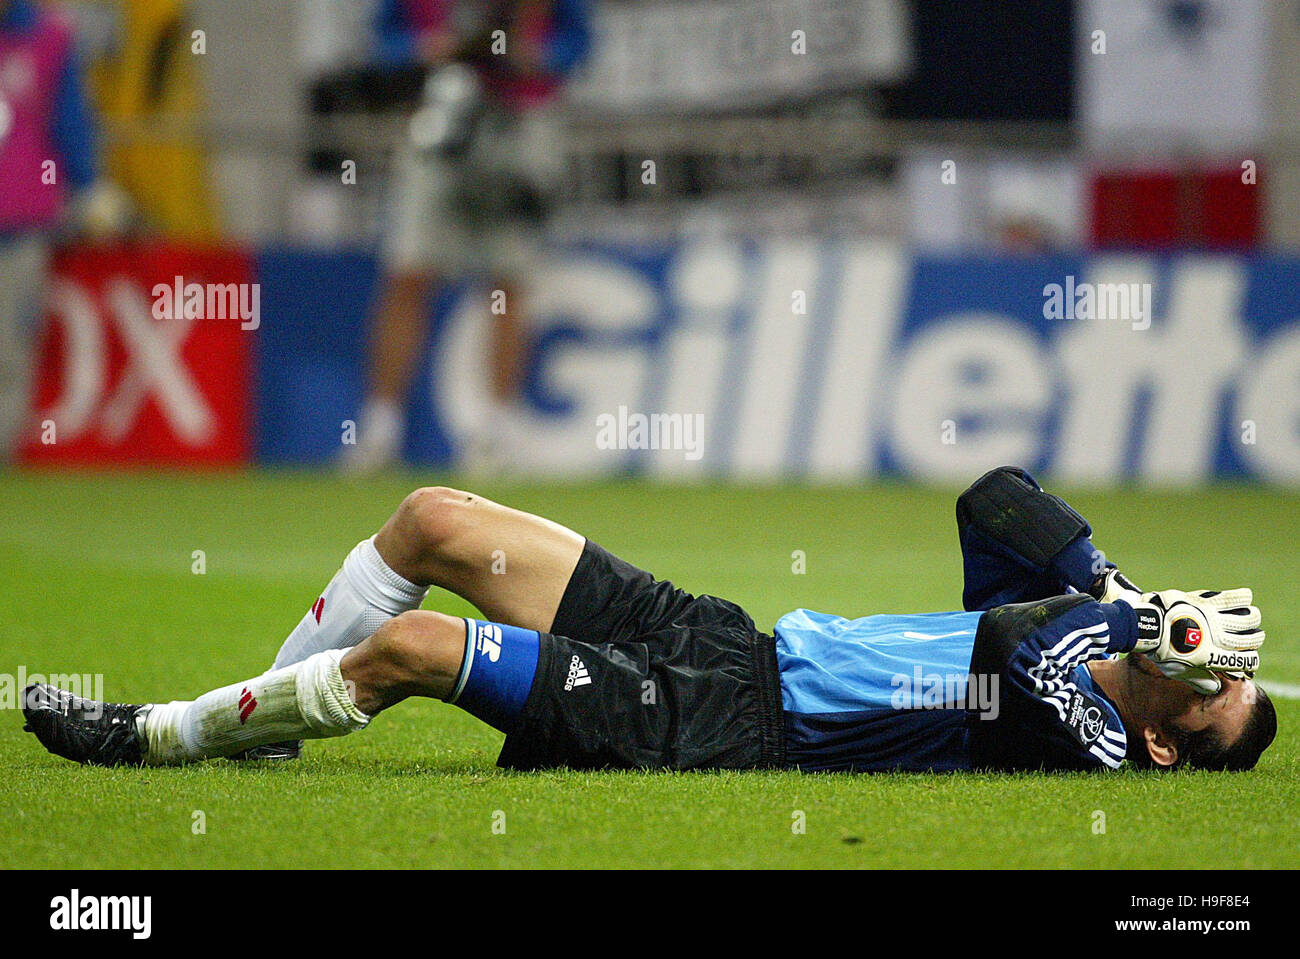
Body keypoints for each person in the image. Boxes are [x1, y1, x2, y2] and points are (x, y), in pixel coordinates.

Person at [22, 467, 1276, 773]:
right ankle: (275, 724)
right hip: (727, 637)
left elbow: (1010, 652)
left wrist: (1095, 615)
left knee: (406, 652)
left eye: (1218, 692)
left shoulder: (1087, 736)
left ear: (1172, 743)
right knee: (435, 520)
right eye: (1230, 661)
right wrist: (1115, 580)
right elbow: (993, 498)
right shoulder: (1087, 625)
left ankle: (157, 735)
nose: (1209, 660)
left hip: (720, 723)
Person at [342, 0, 592, 473]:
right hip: (441, 116)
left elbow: (577, 40)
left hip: (520, 119)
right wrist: (426, 50)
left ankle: (494, 434)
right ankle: (379, 430)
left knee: (508, 278)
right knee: (410, 270)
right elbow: (385, 38)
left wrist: (535, 56)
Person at [0, 0, 120, 460]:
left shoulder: (49, 36)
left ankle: (4, 470)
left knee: (11, 350)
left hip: (21, 223)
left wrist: (90, 187)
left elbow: (71, 120)